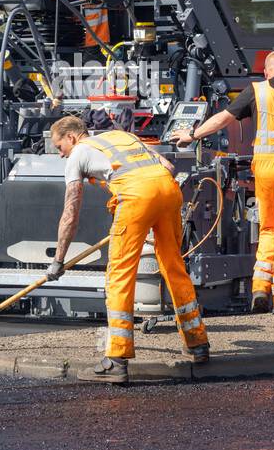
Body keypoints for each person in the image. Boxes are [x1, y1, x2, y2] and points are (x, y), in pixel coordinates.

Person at [48, 116, 210, 383]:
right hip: (168, 191)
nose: (60, 154)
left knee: (120, 275)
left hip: (136, 197)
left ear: (72, 137)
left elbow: (70, 213)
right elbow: (167, 166)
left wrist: (58, 259)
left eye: (58, 147)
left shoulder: (78, 154)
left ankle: (116, 360)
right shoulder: (122, 137)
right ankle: (197, 343)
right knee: (173, 266)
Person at [174, 50, 274, 313]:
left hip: (266, 170)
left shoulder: (255, 90)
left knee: (268, 228)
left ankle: (259, 287)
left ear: (267, 72)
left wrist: (192, 134)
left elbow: (223, 118)